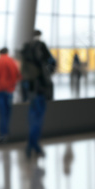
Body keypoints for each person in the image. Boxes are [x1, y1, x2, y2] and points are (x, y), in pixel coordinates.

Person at [20, 29, 56, 157]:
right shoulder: (40, 47)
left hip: (29, 89)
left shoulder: (26, 49)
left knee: (32, 118)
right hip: (40, 88)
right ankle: (33, 145)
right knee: (38, 119)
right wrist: (48, 72)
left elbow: (22, 71)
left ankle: (32, 146)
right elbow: (52, 63)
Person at [0, 47, 20, 140]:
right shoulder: (11, 61)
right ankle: (7, 132)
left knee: (2, 112)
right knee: (8, 112)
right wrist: (12, 84)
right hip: (9, 90)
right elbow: (17, 74)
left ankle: (3, 134)